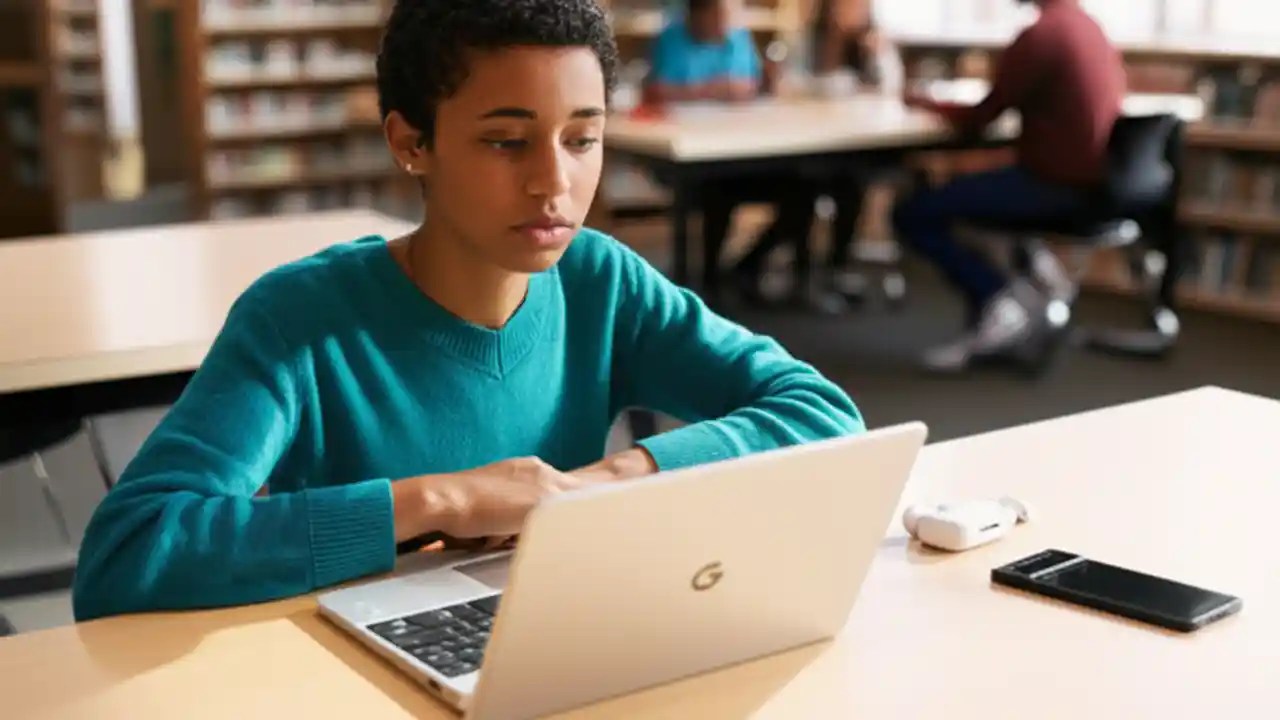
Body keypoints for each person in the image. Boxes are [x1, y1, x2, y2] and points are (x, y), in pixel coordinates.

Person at [71, 0, 864, 621]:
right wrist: (441, 500)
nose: (552, 184)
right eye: (505, 142)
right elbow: (129, 553)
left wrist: (615, 480)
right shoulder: (299, 319)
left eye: (581, 139)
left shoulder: (602, 281)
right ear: (411, 142)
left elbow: (823, 414)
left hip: (568, 625)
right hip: (357, 665)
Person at [894, 0, 1125, 372]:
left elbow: (979, 119)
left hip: (1053, 185)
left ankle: (1000, 301)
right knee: (964, 189)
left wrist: (924, 103)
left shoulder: (1040, 36)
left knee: (914, 212)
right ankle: (1033, 285)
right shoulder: (1087, 26)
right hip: (1090, 182)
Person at [643, 0, 813, 302]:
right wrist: (713, 89)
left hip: (742, 146)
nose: (727, 23)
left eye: (731, 15)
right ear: (697, 14)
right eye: (720, 15)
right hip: (689, 152)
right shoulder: (671, 38)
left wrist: (764, 84)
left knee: (804, 188)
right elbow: (656, 91)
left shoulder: (737, 36)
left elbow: (750, 86)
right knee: (716, 191)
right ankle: (707, 282)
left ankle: (745, 267)